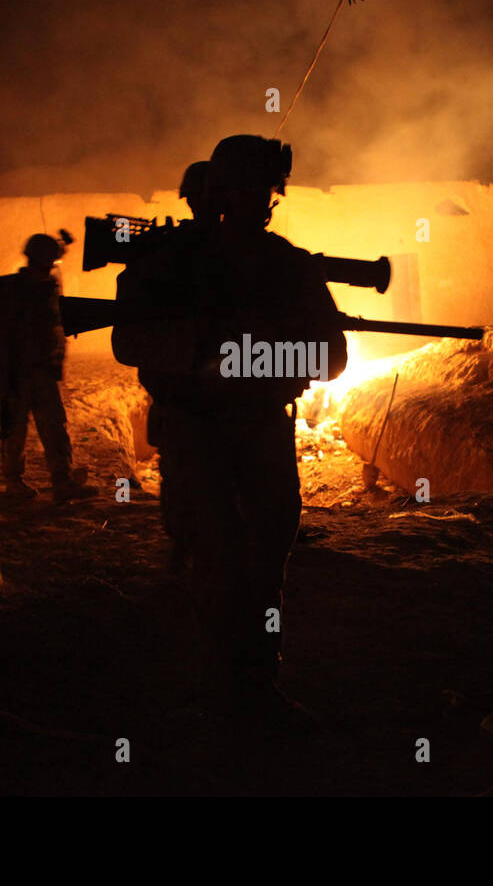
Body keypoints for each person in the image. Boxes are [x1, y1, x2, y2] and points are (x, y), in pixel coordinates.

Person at [112, 135, 347, 725]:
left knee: (267, 557)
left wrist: (255, 359)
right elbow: (130, 339)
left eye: (264, 191)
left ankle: (254, 683)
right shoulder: (170, 261)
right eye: (246, 190)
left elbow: (330, 354)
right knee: (216, 556)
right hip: (197, 430)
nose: (258, 202)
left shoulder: (288, 265)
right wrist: (205, 352)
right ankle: (218, 688)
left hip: (262, 429)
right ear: (220, 193)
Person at [0, 232, 94, 503]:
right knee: (14, 430)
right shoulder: (15, 294)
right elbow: (0, 336)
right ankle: (15, 483)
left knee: (55, 427)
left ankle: (62, 480)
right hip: (17, 374)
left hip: (42, 372)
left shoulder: (44, 287)